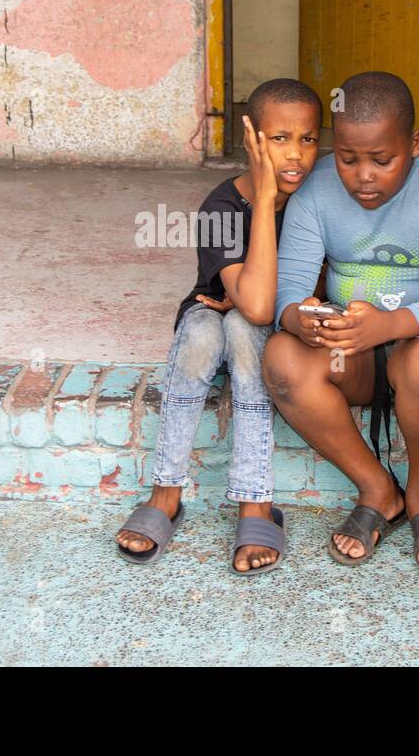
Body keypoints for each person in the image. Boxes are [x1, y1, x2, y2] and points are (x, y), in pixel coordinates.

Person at [262, 71, 419, 573]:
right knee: (281, 357)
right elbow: (290, 289)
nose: (364, 175)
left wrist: (388, 325)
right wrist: (302, 318)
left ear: (414, 144)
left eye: (382, 160)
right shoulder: (317, 188)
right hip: (357, 349)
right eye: (348, 158)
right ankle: (378, 490)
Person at [115, 79, 323, 574]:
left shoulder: (318, 199)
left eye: (309, 139)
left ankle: (255, 499)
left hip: (261, 331)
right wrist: (265, 201)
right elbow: (251, 300)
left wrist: (272, 204)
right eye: (279, 139)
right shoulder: (221, 206)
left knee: (243, 332)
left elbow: (255, 307)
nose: (295, 155)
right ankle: (166, 491)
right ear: (251, 139)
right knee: (208, 329)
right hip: (213, 320)